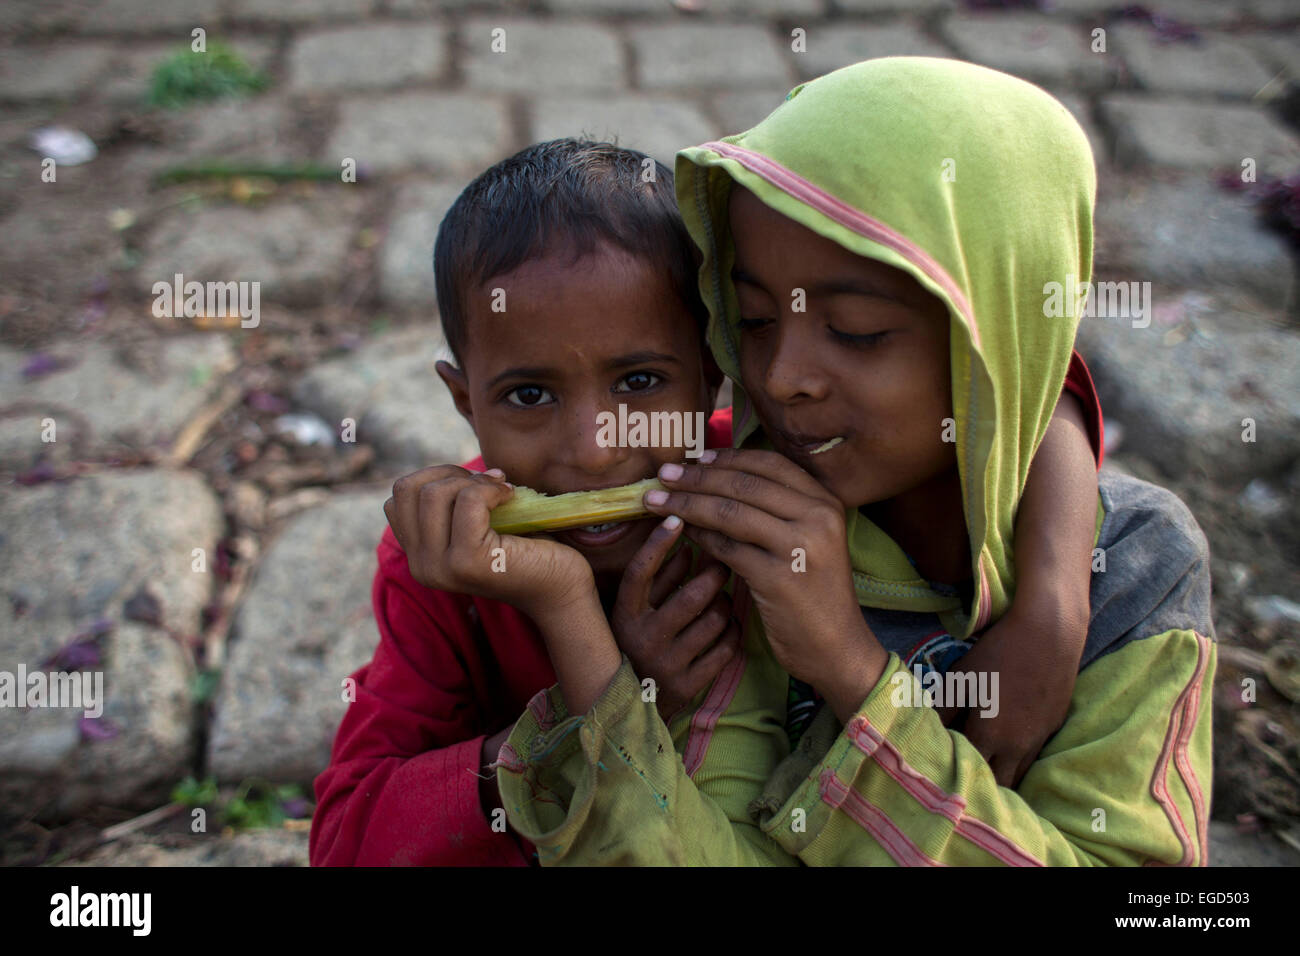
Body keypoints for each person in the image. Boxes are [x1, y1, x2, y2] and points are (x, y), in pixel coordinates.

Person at [494, 59, 1216, 866]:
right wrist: (571, 616)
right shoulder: (754, 533)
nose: (779, 378)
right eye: (757, 319)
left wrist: (851, 668)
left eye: (859, 330)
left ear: (993, 343)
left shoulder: (1133, 573)